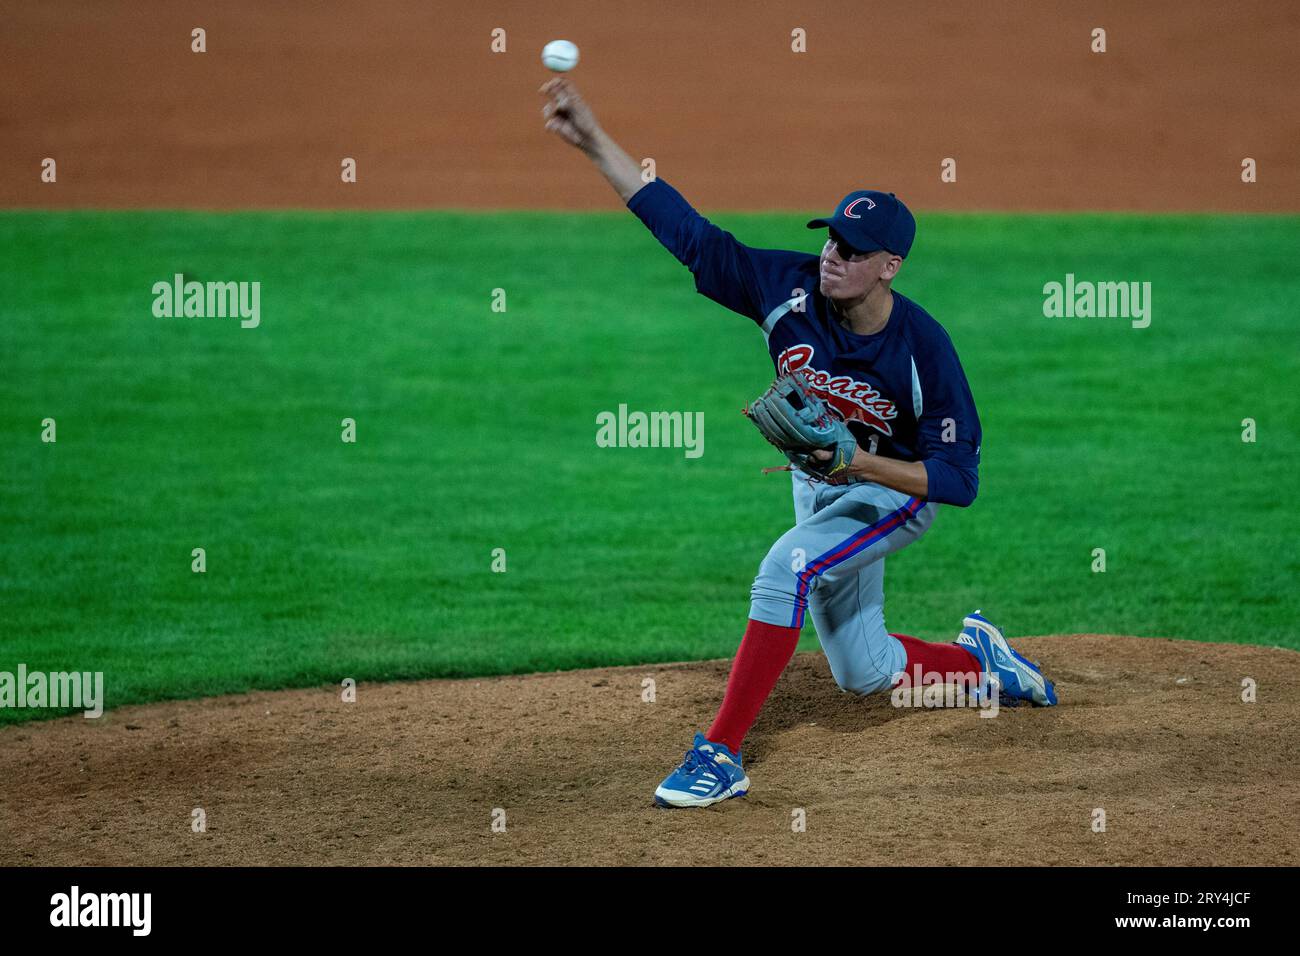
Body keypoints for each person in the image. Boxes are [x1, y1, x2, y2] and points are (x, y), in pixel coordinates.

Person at [540, 77, 1057, 809]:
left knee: (787, 567)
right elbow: (688, 235)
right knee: (864, 672)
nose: (833, 255)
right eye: (832, 239)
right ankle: (985, 667)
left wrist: (861, 464)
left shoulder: (923, 351)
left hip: (891, 490)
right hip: (821, 481)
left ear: (890, 266)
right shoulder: (784, 288)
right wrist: (594, 140)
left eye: (854, 250)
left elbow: (957, 480)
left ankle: (720, 755)